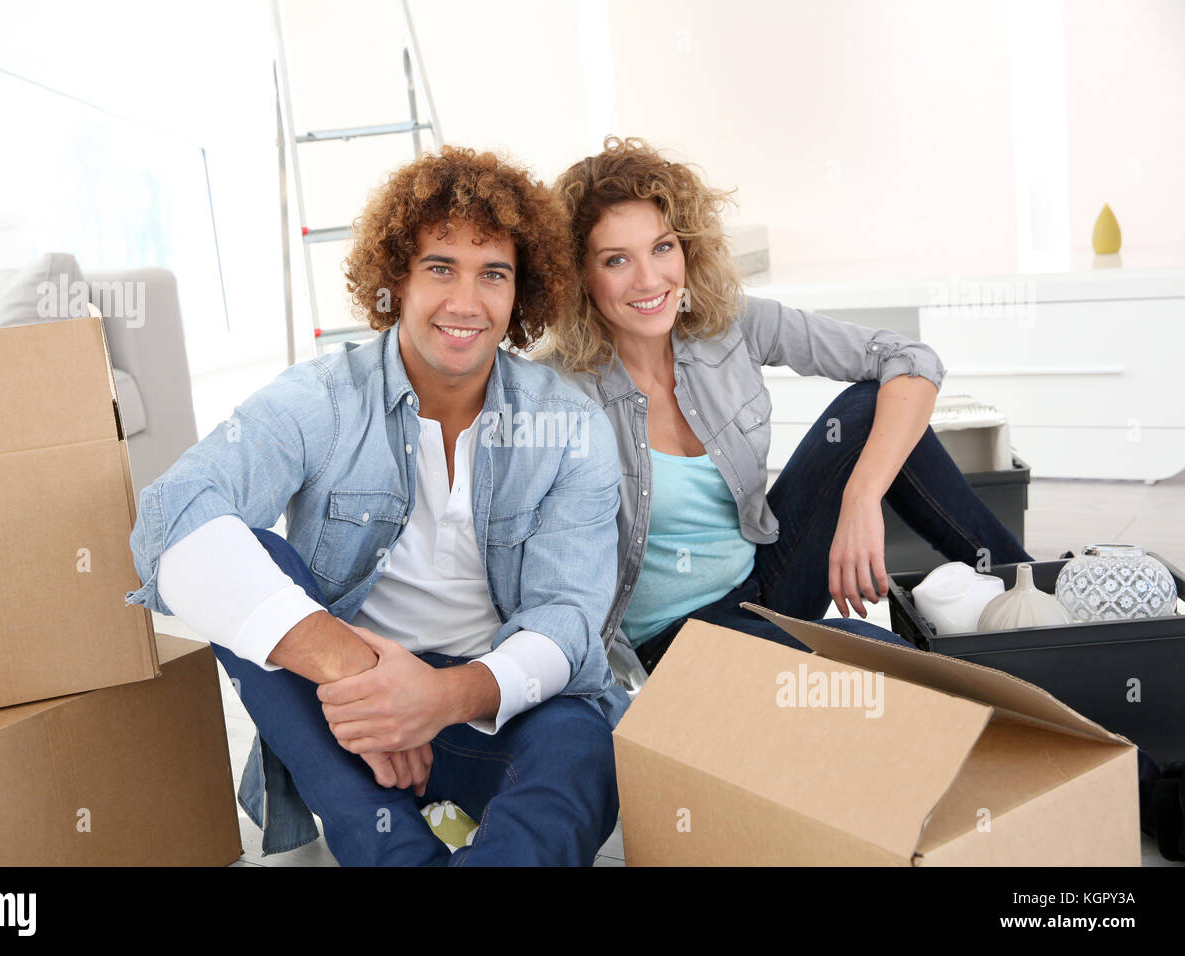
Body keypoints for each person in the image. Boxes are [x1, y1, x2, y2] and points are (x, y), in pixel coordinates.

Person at [125, 146, 627, 866]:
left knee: (583, 743)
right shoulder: (322, 399)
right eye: (439, 268)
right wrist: (358, 677)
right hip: (355, 731)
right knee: (248, 555)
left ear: (522, 292)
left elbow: (569, 621)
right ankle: (395, 848)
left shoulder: (568, 425)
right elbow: (172, 515)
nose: (466, 301)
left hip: (491, 709)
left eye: (493, 273)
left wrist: (439, 697)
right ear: (398, 277)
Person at [540, 137, 1033, 678]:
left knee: (869, 406)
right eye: (617, 260)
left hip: (763, 583)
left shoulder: (727, 324)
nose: (650, 279)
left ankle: (1038, 600)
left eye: (662, 247)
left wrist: (861, 499)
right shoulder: (558, 391)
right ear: (579, 275)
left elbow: (908, 359)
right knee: (889, 664)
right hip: (674, 644)